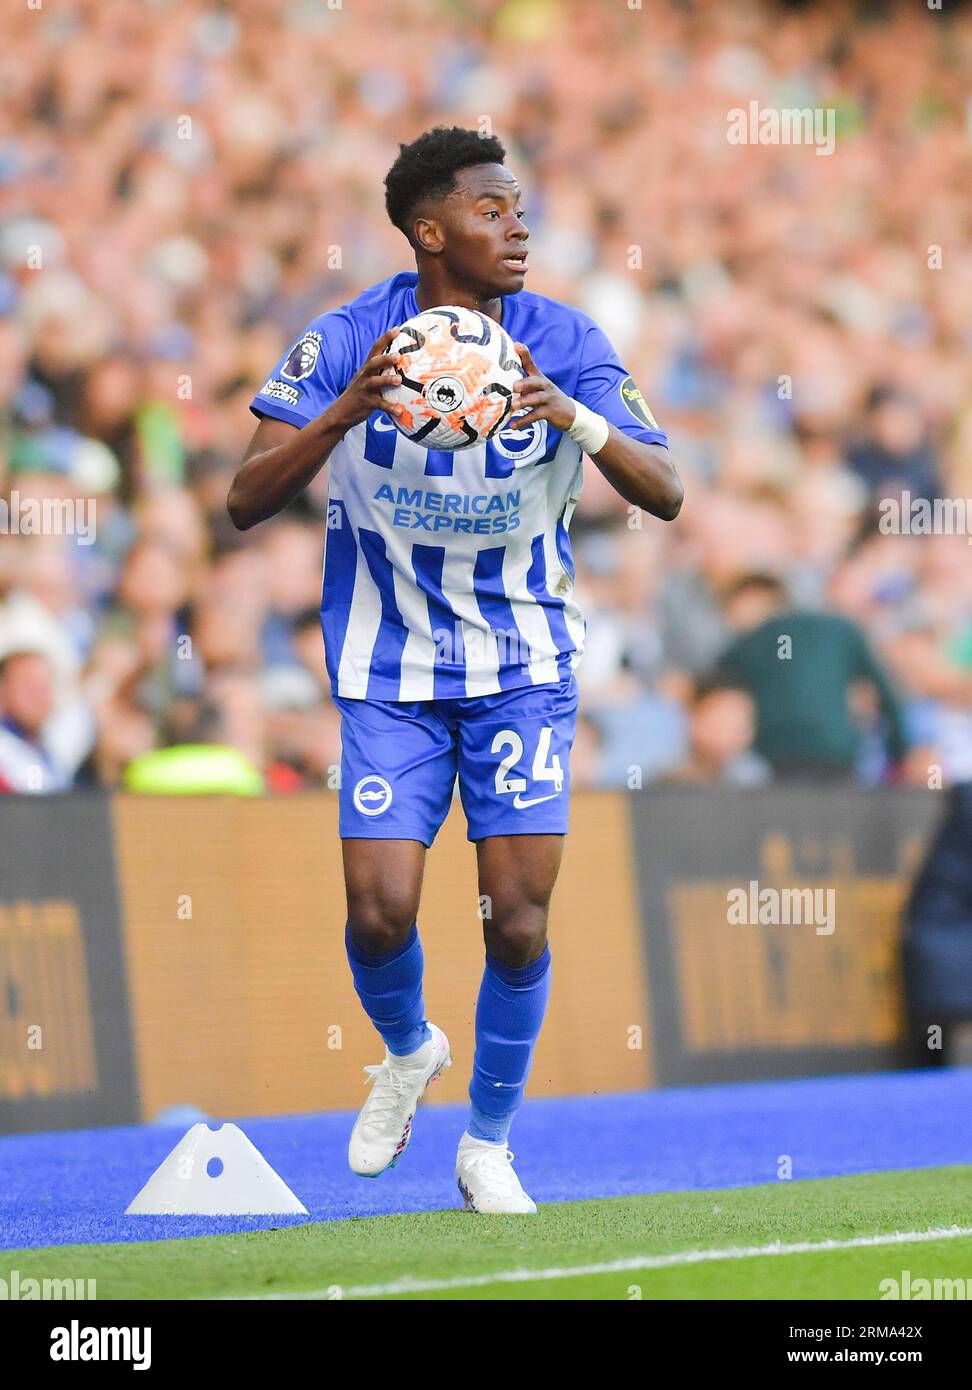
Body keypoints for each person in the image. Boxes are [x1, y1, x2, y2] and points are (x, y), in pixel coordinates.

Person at [228, 127, 681, 1214]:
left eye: (520, 208)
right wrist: (342, 413)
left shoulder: (565, 340)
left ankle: (488, 1143)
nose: (518, 227)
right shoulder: (349, 336)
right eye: (492, 210)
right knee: (381, 914)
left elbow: (665, 489)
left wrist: (570, 413)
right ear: (430, 231)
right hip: (390, 671)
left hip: (523, 663)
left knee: (516, 917)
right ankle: (408, 1046)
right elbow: (245, 499)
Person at [716, 574, 906, 783]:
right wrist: (901, 753)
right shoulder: (843, 629)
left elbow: (715, 691)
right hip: (837, 752)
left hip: (776, 756)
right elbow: (887, 694)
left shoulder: (751, 640)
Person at [0, 647, 71, 793]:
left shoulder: (48, 746)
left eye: (45, 686)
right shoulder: (5, 749)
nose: (40, 697)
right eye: (29, 687)